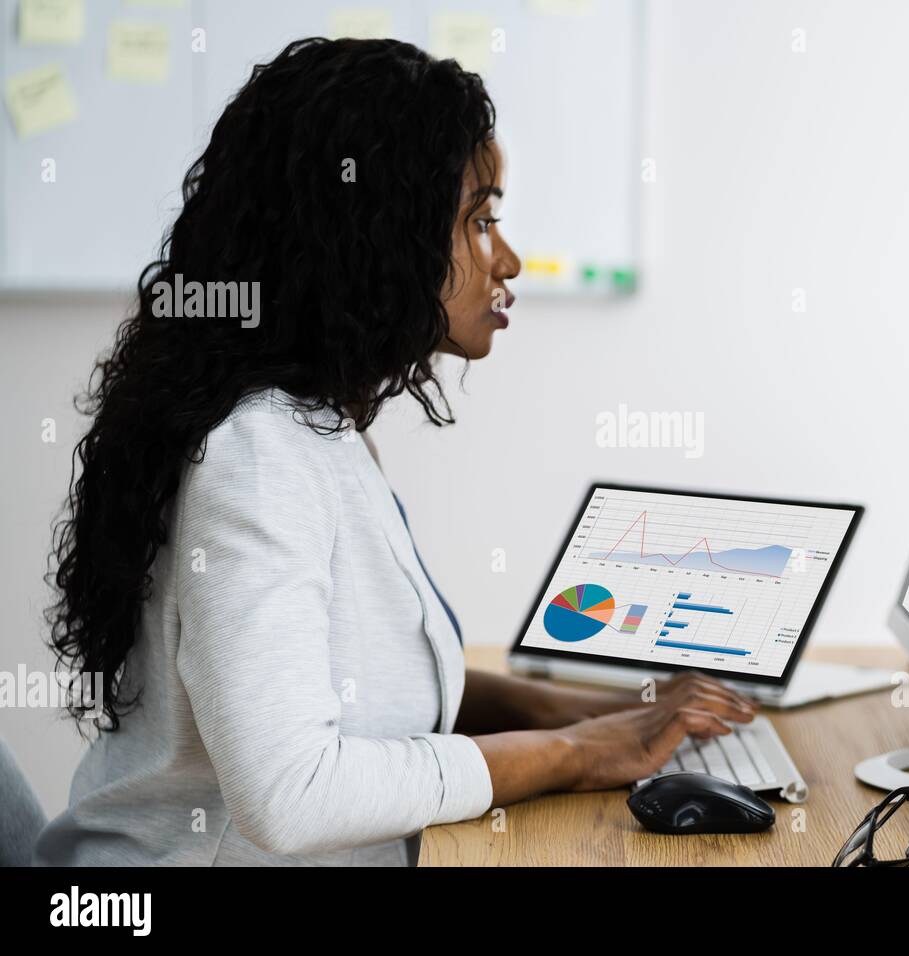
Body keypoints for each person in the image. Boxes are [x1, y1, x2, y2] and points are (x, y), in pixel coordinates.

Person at [37, 38, 753, 866]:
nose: (508, 260)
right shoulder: (257, 457)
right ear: (376, 236)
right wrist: (580, 754)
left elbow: (394, 696)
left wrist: (618, 711)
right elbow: (292, 796)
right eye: (480, 220)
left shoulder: (315, 422)